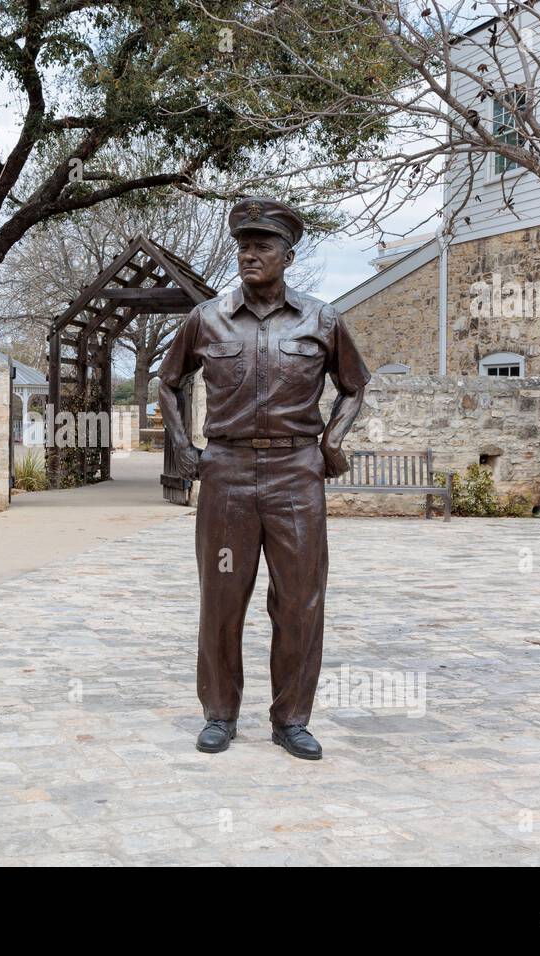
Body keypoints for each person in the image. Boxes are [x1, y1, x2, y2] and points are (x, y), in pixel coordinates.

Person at [157, 198, 371, 760]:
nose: (250, 255)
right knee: (222, 596)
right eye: (243, 245)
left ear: (288, 255)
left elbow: (354, 386)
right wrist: (182, 447)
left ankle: (291, 718)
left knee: (299, 599)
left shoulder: (322, 320)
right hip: (225, 472)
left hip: (296, 474)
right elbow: (169, 382)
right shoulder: (206, 318)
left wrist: (333, 441)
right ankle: (219, 713)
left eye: (263, 246)